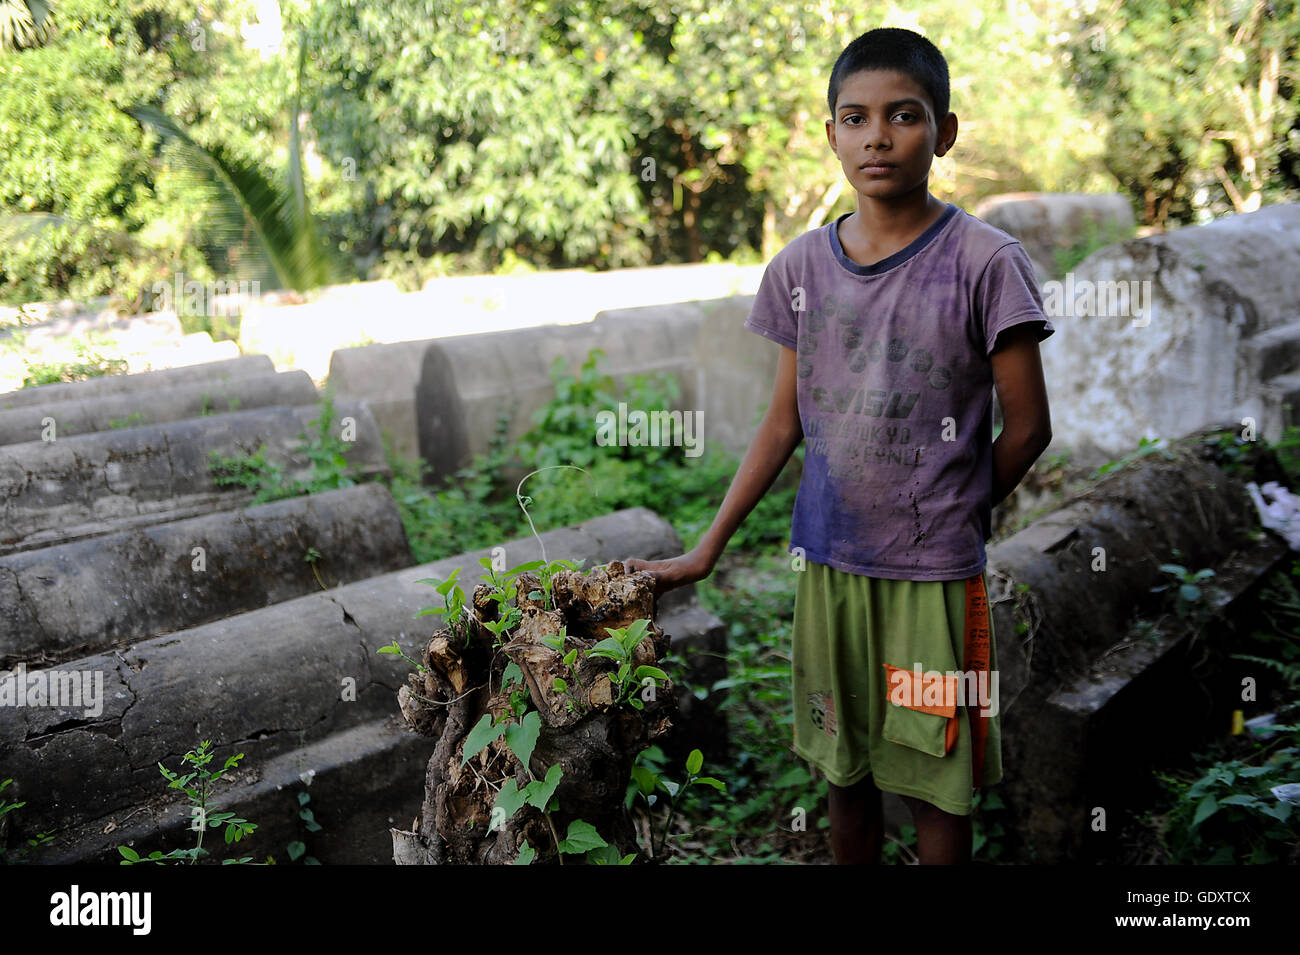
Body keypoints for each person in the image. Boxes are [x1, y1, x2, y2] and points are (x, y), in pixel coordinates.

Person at [624, 26, 1054, 864]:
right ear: (831, 135)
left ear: (945, 132)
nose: (877, 136)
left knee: (937, 784)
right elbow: (784, 423)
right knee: (845, 774)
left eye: (903, 115)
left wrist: (952, 512)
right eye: (854, 118)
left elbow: (1029, 426)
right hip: (830, 571)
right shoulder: (800, 270)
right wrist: (705, 549)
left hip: (934, 585)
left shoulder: (985, 263)